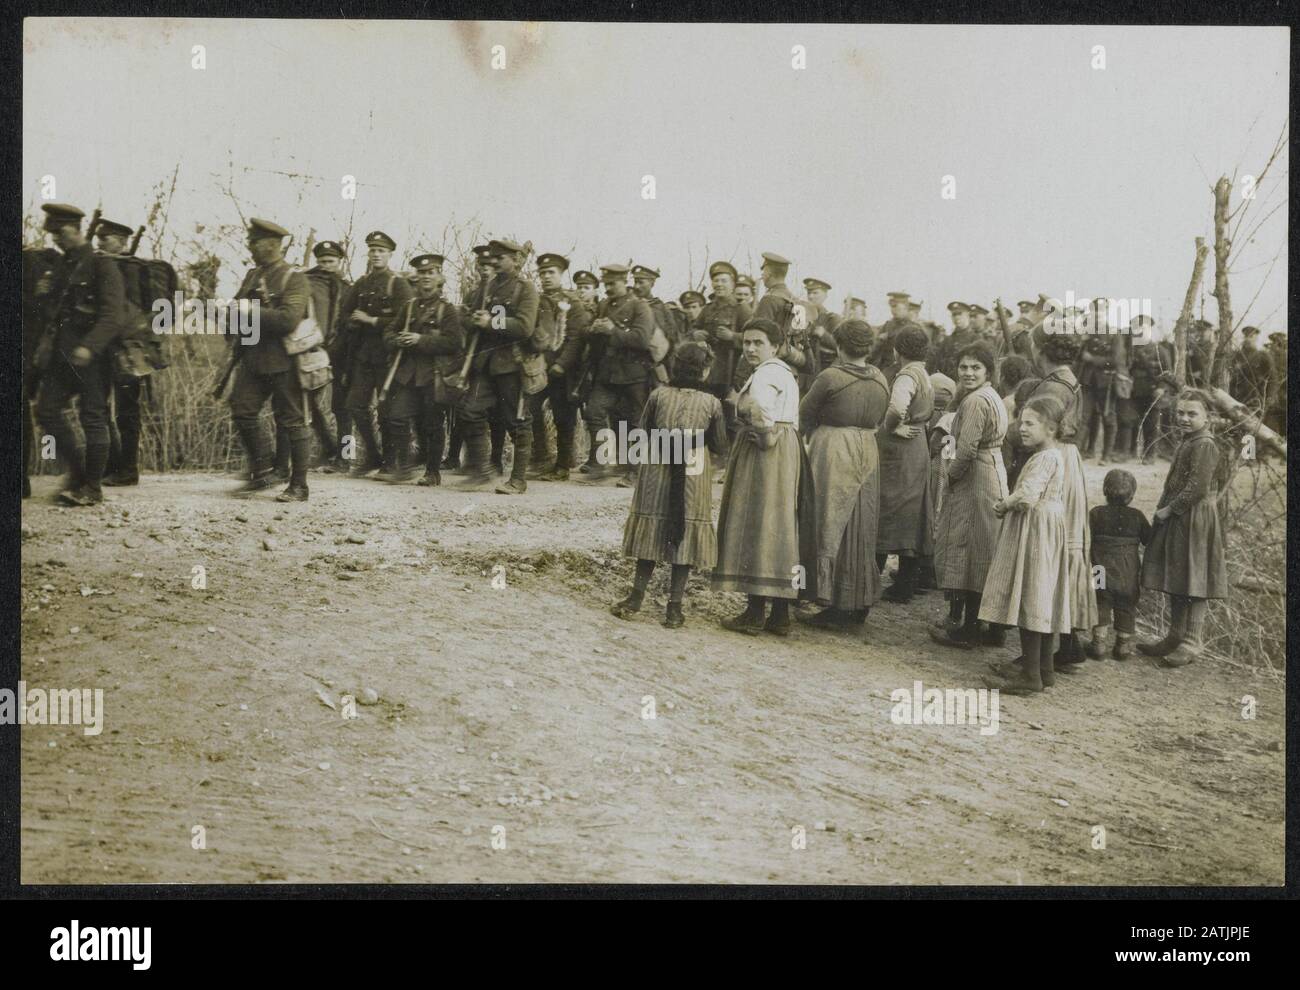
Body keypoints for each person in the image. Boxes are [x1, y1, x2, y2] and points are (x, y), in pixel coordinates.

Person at [610, 342, 727, 629]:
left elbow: (643, 429)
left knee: (652, 529)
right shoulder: (712, 403)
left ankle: (635, 599)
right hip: (693, 468)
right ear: (705, 371)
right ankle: (674, 608)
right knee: (685, 529)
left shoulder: (658, 395)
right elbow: (720, 444)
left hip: (658, 462)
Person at [714, 318, 809, 636]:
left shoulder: (766, 374)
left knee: (758, 522)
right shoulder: (785, 372)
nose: (751, 348)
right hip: (788, 449)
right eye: (746, 343)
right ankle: (780, 614)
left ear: (776, 346)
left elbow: (760, 409)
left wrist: (766, 437)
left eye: (758, 343)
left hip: (767, 452)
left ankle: (754, 613)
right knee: (781, 525)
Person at [796, 320, 889, 629]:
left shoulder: (831, 377)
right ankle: (857, 599)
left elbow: (805, 413)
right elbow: (883, 416)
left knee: (829, 519)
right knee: (860, 523)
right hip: (867, 447)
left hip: (834, 448)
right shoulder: (880, 379)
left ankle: (832, 599)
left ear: (838, 347)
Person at [32, 203, 126, 506]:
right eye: (53, 234)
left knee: (93, 417)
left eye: (61, 232)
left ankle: (92, 488)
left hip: (93, 357)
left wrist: (90, 346)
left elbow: (113, 315)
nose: (57, 239)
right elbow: (55, 315)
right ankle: (78, 473)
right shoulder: (63, 266)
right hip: (63, 356)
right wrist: (44, 295)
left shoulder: (102, 265)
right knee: (46, 410)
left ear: (77, 229)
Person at [979, 396, 1072, 694]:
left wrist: (1005, 504)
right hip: (1048, 527)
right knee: (1041, 595)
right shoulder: (1055, 455)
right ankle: (1044, 670)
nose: (1022, 428)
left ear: (1051, 428)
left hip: (1035, 529)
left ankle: (1029, 676)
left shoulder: (1045, 457)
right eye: (1021, 422)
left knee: (1030, 594)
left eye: (1031, 423)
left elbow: (1028, 495)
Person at [1019, 332, 1098, 667]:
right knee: (1065, 550)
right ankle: (1067, 643)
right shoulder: (1068, 379)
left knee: (1051, 551)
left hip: (1055, 461)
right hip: (1068, 460)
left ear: (1041, 351)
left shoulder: (1053, 386)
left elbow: (1033, 428)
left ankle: (1058, 647)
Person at [1138, 390, 1229, 668]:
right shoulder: (1189, 441)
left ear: (1208, 417)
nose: (1185, 419)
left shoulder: (1205, 444)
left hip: (1196, 518)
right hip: (1182, 518)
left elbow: (1197, 487)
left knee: (1196, 577)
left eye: (1193, 414)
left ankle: (1192, 640)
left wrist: (1169, 509)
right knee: (1180, 574)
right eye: (1181, 413)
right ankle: (1175, 634)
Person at [226, 217, 313, 502]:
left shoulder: (294, 278)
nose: (250, 247)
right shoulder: (252, 276)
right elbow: (234, 310)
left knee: (292, 421)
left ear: (272, 245)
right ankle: (262, 468)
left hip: (284, 361)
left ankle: (299, 485)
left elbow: (289, 319)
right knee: (242, 409)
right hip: (252, 358)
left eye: (255, 242)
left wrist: (248, 312)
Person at [930, 342, 1008, 648]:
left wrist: (949, 477)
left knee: (974, 549)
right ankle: (991, 628)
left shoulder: (976, 400)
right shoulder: (989, 396)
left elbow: (965, 450)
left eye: (976, 367)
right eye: (963, 367)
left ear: (988, 370)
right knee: (984, 547)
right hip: (990, 470)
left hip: (977, 477)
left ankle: (972, 629)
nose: (968, 372)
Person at [460, 238, 540, 494]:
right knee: (470, 410)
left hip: (511, 365)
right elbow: (472, 319)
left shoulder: (525, 289)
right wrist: (473, 320)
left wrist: (491, 322)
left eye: (501, 257)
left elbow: (525, 327)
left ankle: (518, 480)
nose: (495, 261)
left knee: (516, 421)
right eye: (493, 257)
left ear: (516, 260)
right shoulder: (487, 287)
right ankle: (483, 470)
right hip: (485, 363)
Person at [380, 254, 465, 486]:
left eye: (431, 273)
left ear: (440, 278)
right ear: (416, 278)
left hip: (435, 374)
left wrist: (420, 339)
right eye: (422, 273)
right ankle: (405, 466)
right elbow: (388, 332)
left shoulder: (448, 310)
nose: (426, 277)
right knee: (396, 417)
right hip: (408, 374)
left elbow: (454, 342)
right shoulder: (408, 308)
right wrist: (398, 340)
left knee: (432, 424)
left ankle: (433, 472)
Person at [337, 230, 414, 476]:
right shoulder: (361, 283)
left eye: (381, 251)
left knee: (387, 409)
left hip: (388, 356)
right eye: (373, 250)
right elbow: (345, 312)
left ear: (390, 254)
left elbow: (407, 319)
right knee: (355, 405)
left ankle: (392, 462)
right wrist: (351, 322)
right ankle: (372, 455)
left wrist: (372, 320)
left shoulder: (397, 283)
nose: (376, 254)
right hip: (362, 355)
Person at [577, 263, 655, 485]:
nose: (608, 288)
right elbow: (587, 333)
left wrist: (613, 331)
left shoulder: (640, 307)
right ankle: (600, 465)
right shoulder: (603, 306)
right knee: (594, 412)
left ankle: (636, 471)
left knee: (635, 423)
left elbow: (642, 339)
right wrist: (593, 331)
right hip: (607, 373)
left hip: (634, 374)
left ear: (624, 282)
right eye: (606, 284)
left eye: (613, 284)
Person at [876, 325, 935, 604]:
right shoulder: (924, 373)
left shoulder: (906, 375)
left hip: (900, 449)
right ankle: (906, 584)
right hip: (918, 446)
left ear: (897, 351)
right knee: (912, 513)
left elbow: (897, 407)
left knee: (887, 509)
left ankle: (871, 578)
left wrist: (892, 427)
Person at [529, 252, 593, 481]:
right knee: (529, 411)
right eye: (542, 273)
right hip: (537, 369)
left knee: (563, 417)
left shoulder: (572, 303)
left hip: (562, 371)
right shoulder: (535, 300)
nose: (546, 277)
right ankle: (541, 457)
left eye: (551, 273)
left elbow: (576, 338)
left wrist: (562, 365)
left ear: (561, 274)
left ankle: (563, 466)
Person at [1086, 468, 1152, 660]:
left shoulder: (1096, 513)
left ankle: (1098, 643)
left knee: (1100, 600)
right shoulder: (1137, 516)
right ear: (1132, 495)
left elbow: (1086, 539)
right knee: (1126, 603)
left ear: (1105, 490)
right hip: (1128, 571)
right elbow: (1149, 539)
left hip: (1098, 568)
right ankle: (1123, 645)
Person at [691, 261, 752, 468]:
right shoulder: (708, 309)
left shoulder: (741, 309)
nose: (719, 284)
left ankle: (732, 460)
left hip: (731, 370)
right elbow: (693, 330)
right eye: (715, 280)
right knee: (708, 413)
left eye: (723, 280)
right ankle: (714, 455)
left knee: (730, 416)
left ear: (732, 284)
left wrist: (733, 336)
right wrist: (696, 334)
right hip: (709, 371)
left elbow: (755, 336)